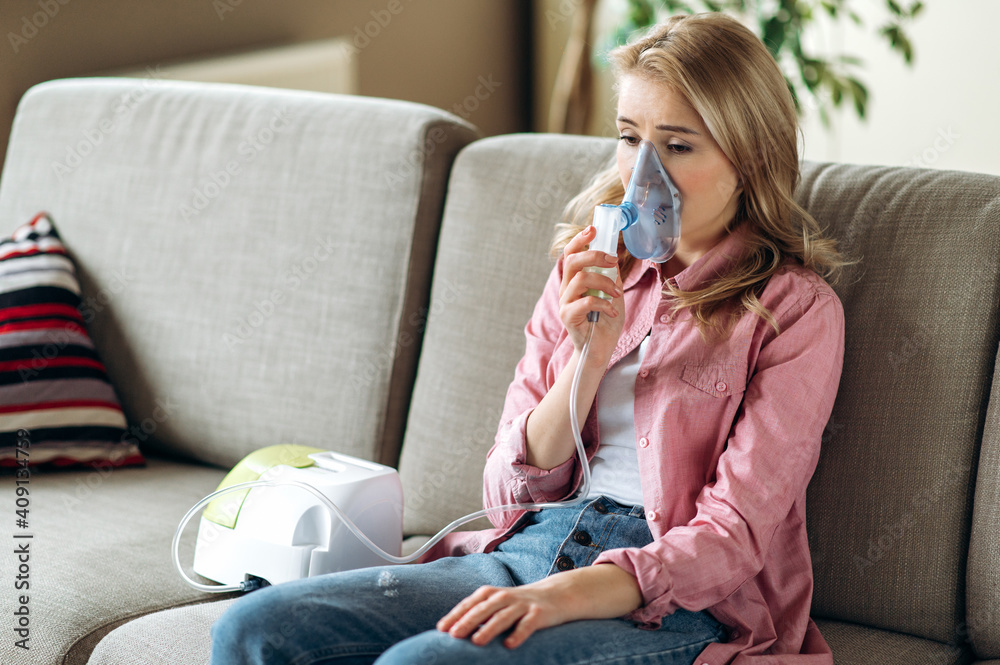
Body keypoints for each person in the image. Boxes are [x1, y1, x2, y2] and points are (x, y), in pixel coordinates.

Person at [210, 12, 845, 665]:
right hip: (530, 548)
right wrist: (587, 359)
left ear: (750, 157)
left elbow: (732, 535)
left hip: (675, 603)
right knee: (253, 628)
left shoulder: (792, 311)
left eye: (678, 146)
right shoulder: (588, 268)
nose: (642, 173)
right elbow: (504, 495)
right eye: (630, 138)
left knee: (426, 662)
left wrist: (565, 596)